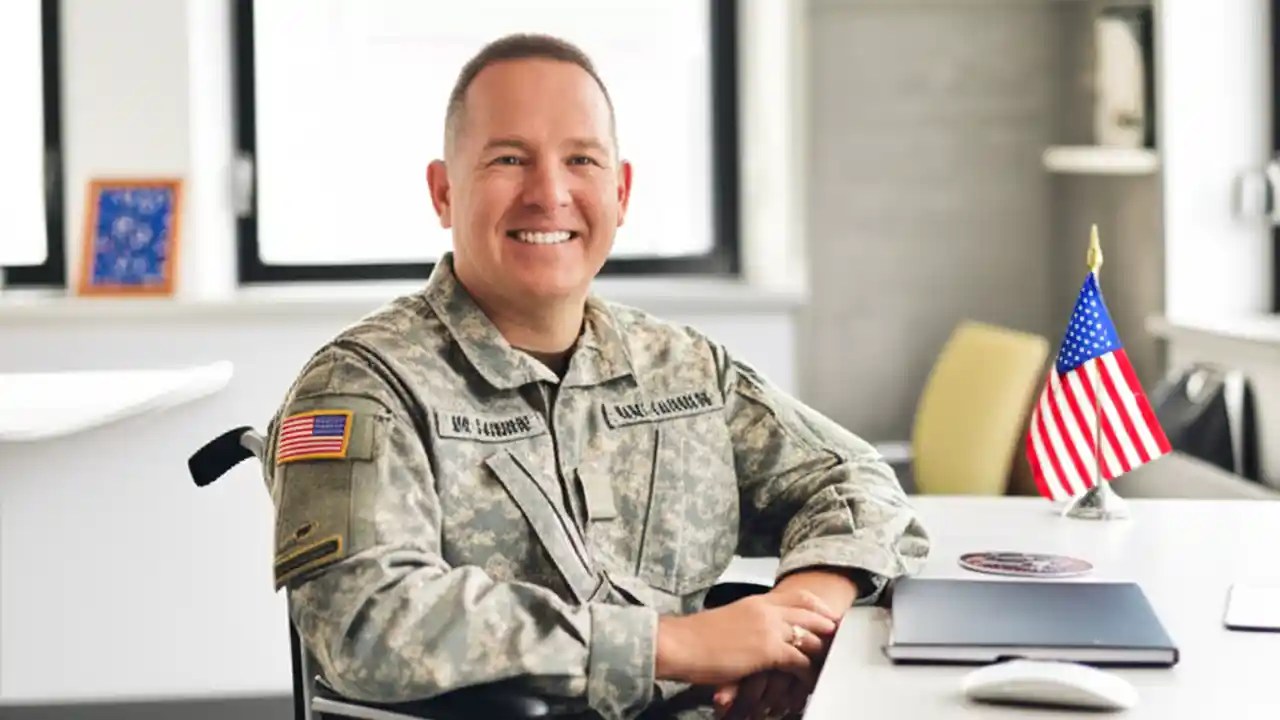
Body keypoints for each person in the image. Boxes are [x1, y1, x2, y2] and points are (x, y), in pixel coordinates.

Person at [264, 32, 930, 720]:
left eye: (580, 159)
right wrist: (669, 646)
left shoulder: (682, 370)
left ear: (621, 191)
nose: (548, 193)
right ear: (444, 192)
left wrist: (797, 622)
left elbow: (855, 480)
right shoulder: (362, 388)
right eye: (508, 159)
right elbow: (368, 620)